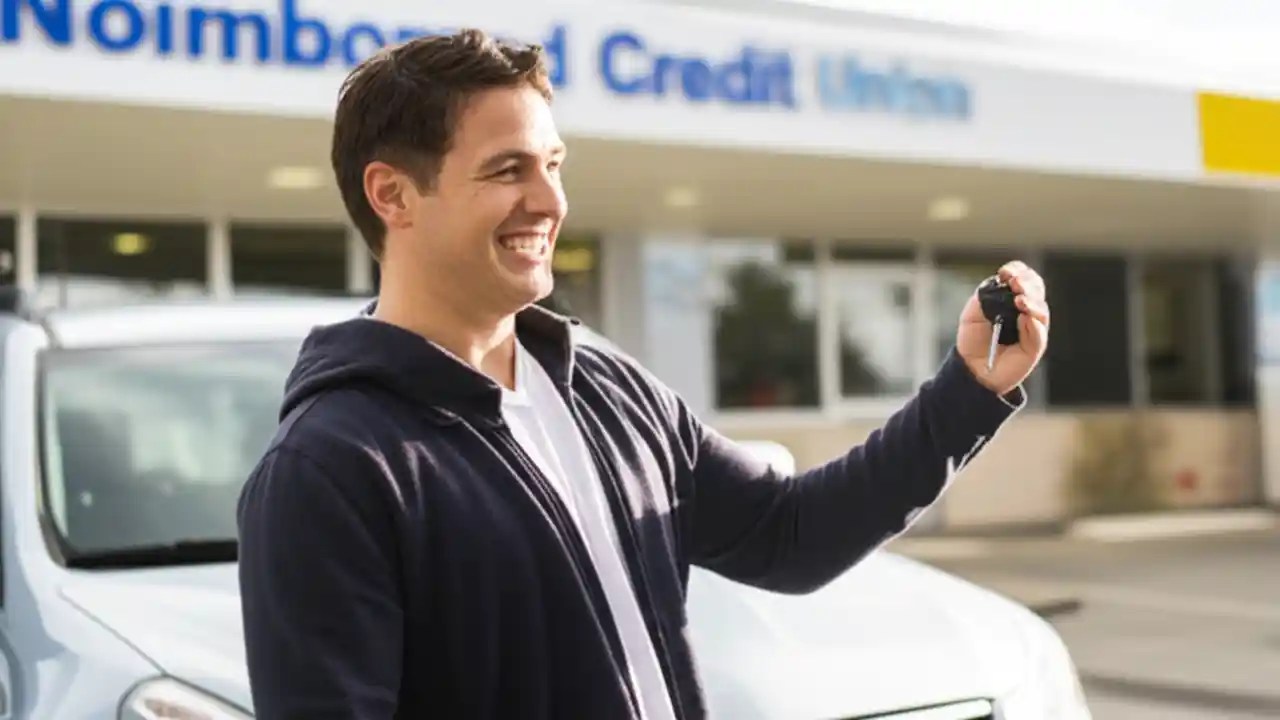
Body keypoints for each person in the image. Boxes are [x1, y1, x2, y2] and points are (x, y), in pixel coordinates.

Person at [235, 28, 1050, 720]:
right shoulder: (329, 471)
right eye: (507, 170)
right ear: (393, 195)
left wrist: (967, 393)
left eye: (554, 164)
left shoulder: (606, 386)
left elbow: (789, 536)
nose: (549, 201)